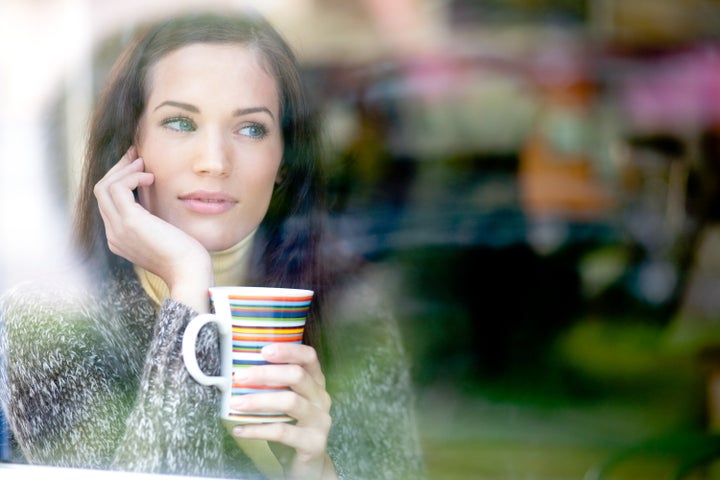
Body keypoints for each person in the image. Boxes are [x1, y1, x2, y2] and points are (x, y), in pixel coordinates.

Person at [0, 10, 425, 480]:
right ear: (129, 147)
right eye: (181, 123)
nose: (214, 161)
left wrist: (316, 471)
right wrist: (187, 284)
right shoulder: (51, 325)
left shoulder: (353, 320)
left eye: (250, 128)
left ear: (284, 157)